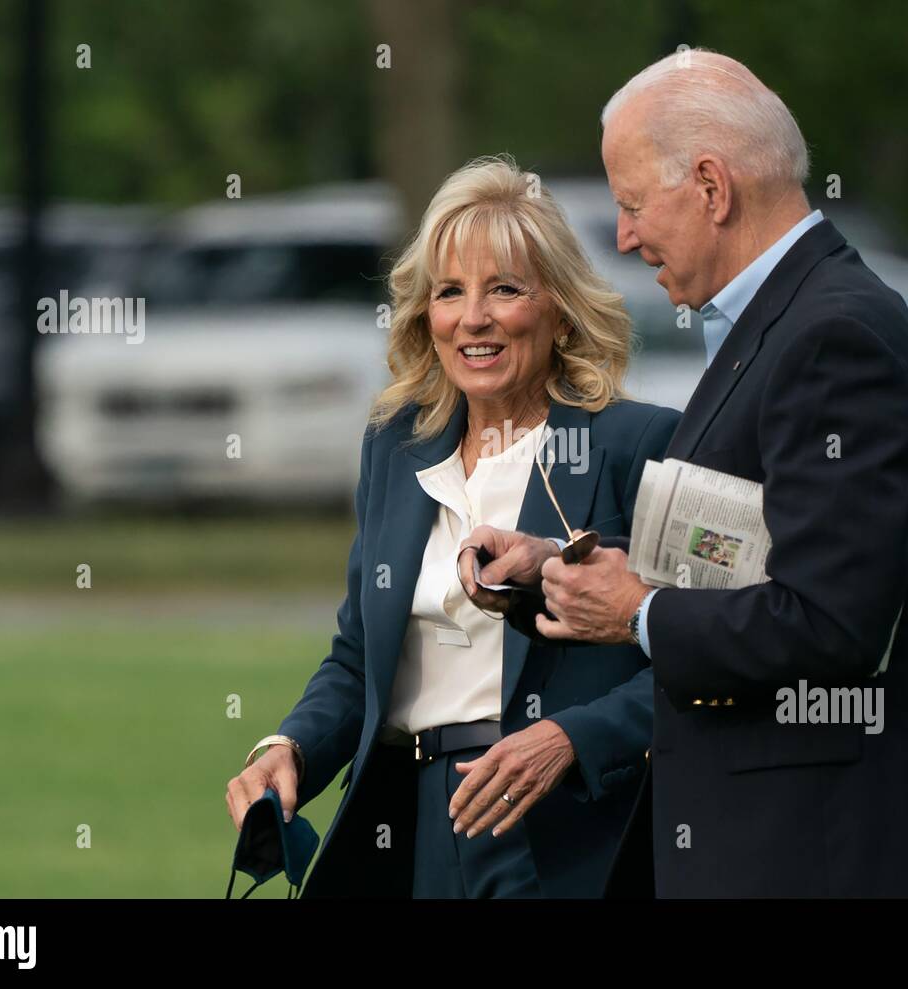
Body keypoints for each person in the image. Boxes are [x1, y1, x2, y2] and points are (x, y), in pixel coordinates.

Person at [461, 52, 908, 897]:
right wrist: (553, 571)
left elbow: (831, 621)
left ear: (712, 188)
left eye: (633, 204)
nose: (623, 236)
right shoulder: (786, 319)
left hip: (826, 850)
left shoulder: (834, 336)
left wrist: (639, 613)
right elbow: (744, 551)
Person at [225, 155, 679, 898]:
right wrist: (290, 750)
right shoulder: (395, 447)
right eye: (450, 292)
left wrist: (571, 739)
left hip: (570, 835)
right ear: (424, 313)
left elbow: (699, 650)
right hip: (410, 830)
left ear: (560, 308)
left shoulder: (636, 445)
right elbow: (357, 659)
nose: (474, 317)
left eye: (505, 288)